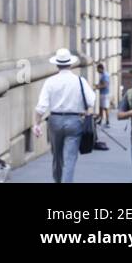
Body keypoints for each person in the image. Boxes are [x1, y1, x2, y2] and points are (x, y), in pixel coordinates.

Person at [33, 48, 95, 183]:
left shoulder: (50, 81)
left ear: (57, 64)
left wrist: (36, 124)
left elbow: (41, 106)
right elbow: (91, 100)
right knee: (70, 159)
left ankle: (57, 180)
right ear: (70, 64)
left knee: (57, 156)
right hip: (74, 120)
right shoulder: (80, 81)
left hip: (54, 120)